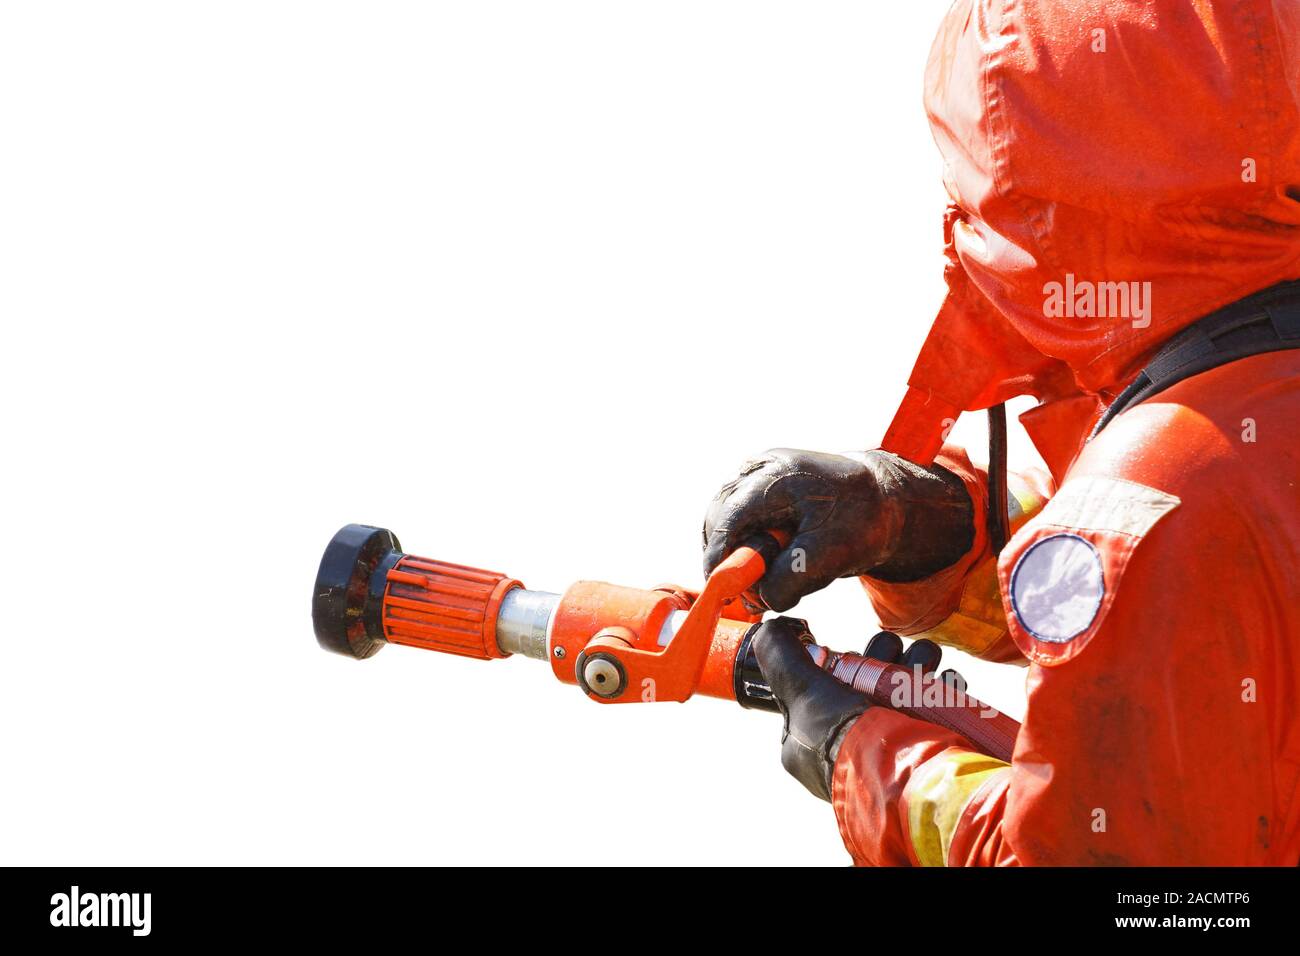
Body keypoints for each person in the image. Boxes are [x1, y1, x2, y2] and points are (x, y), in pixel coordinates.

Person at [703, 0, 1300, 865]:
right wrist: (918, 522)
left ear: (1033, 199)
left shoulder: (1148, 501)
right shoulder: (1224, 425)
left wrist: (867, 759)